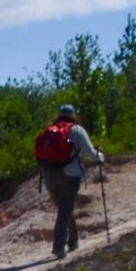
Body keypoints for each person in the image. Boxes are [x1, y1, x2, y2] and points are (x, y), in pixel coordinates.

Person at [34, 103, 106, 258]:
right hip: (70, 175)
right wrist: (100, 157)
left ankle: (73, 241)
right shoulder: (77, 130)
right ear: (73, 115)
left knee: (64, 208)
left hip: (49, 175)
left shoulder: (50, 130)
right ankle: (58, 247)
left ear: (59, 115)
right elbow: (89, 153)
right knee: (65, 210)